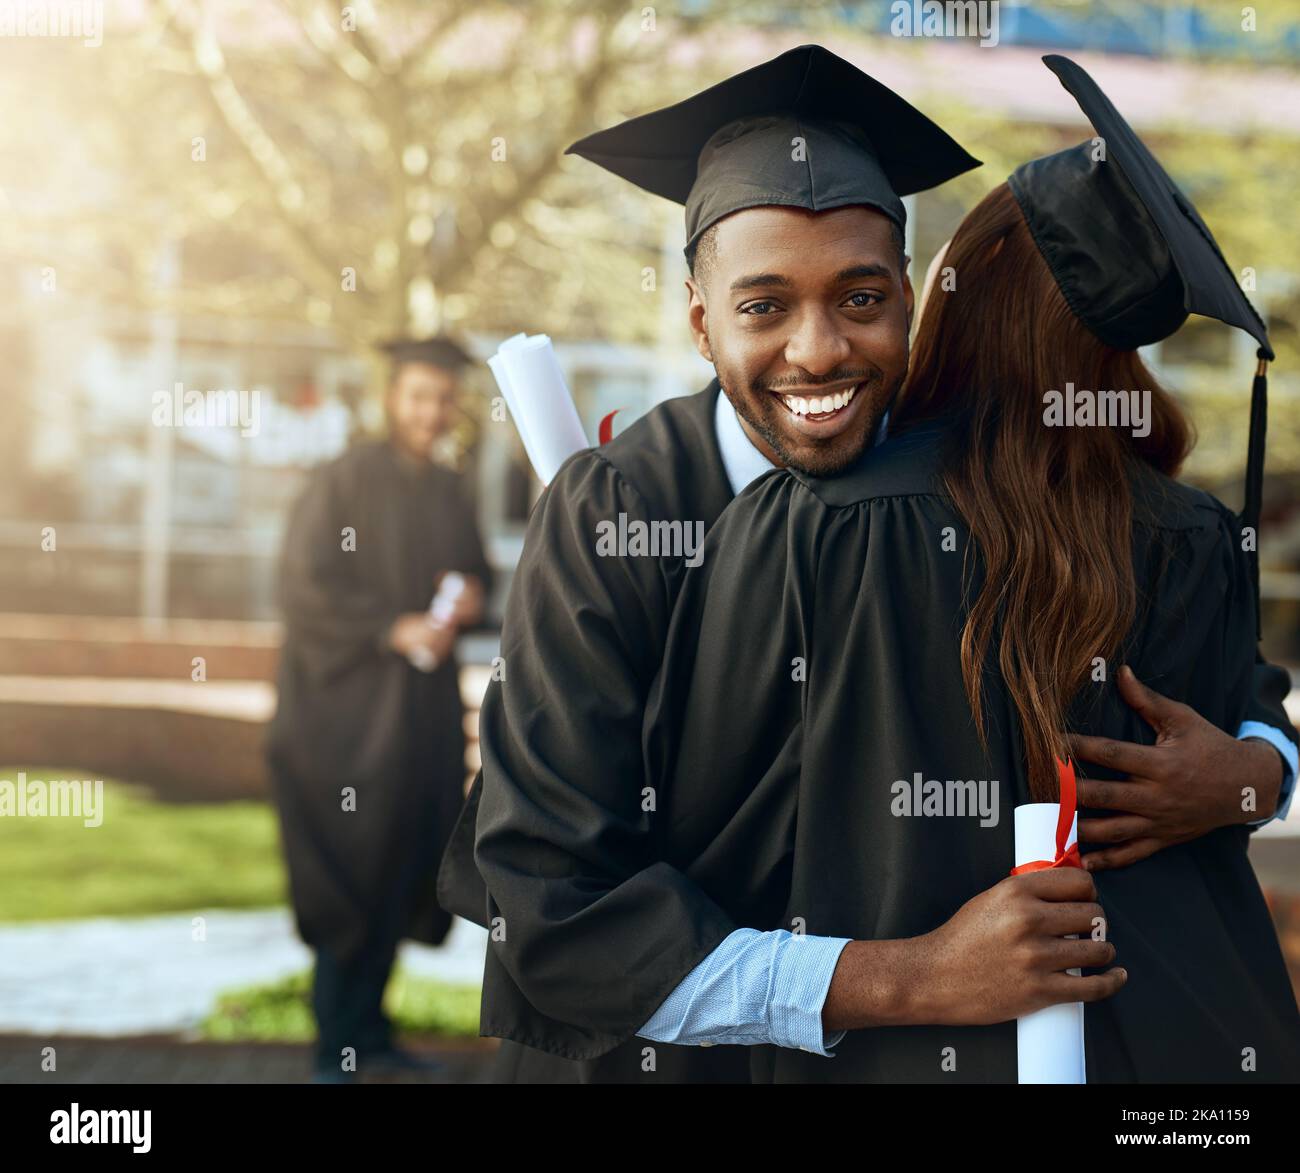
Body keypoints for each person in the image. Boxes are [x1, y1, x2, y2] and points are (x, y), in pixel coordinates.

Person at [438, 46, 1297, 1083]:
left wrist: (1253, 776)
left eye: (859, 299)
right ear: (700, 318)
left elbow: (1241, 699)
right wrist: (919, 977)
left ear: (907, 296)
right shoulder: (618, 509)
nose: (819, 354)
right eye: (763, 308)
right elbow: (553, 897)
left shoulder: (968, 488)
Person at [266, 336, 493, 1082]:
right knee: (350, 864)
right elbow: (303, 587)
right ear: (391, 397)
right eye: (418, 396)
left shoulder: (447, 486)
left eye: (442, 399)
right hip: (347, 715)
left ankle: (372, 1030)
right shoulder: (345, 479)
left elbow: (475, 571)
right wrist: (387, 627)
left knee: (401, 858)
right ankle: (337, 1041)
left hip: (418, 713)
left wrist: (467, 595)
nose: (431, 412)